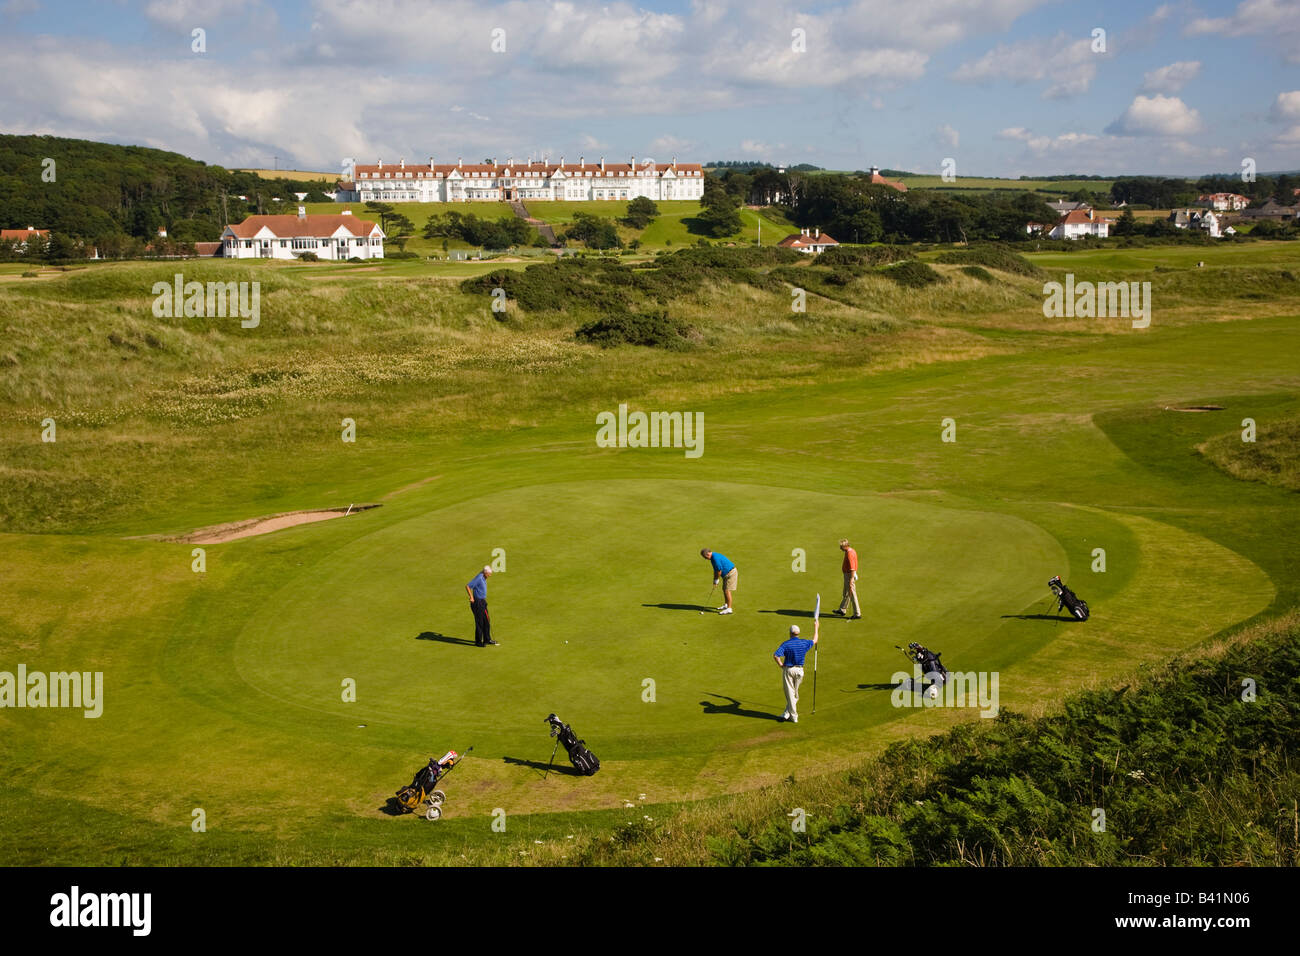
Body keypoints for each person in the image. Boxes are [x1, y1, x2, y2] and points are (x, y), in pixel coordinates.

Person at [773, 619, 818, 722]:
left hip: (789, 670)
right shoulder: (804, 643)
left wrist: (781, 665)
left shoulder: (786, 644)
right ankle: (786, 713)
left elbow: (776, 655)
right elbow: (815, 640)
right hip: (799, 671)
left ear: (790, 633)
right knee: (794, 694)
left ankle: (794, 717)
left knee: (790, 694)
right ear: (798, 633)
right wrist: (816, 627)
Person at [465, 565, 498, 646]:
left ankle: (487, 639)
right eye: (489, 574)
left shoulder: (483, 576)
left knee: (486, 620)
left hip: (482, 602)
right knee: (480, 622)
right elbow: (468, 586)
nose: (490, 575)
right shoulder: (479, 578)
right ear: (485, 572)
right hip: (477, 602)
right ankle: (478, 641)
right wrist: (471, 597)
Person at [700, 548, 737, 614]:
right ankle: (726, 605)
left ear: (708, 554)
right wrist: (715, 579)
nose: (705, 559)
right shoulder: (713, 556)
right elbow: (716, 570)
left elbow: (719, 570)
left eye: (705, 557)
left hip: (731, 573)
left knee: (727, 591)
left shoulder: (715, 558)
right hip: (727, 574)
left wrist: (716, 579)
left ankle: (729, 608)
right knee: (724, 589)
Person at [833, 538, 861, 619]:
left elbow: (852, 568)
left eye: (841, 546)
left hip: (849, 575)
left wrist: (851, 578)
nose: (840, 548)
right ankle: (842, 609)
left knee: (852, 593)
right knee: (846, 593)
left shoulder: (849, 554)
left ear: (845, 546)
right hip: (848, 575)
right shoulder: (850, 551)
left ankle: (857, 613)